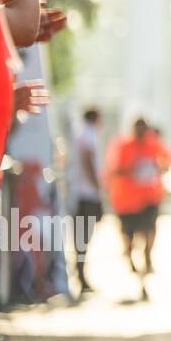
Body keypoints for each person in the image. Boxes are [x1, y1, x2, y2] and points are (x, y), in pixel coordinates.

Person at [105, 117, 171, 300]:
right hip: (126, 201)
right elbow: (113, 169)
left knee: (150, 230)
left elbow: (168, 160)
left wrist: (158, 167)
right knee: (129, 237)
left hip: (149, 197)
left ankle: (147, 258)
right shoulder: (123, 145)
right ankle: (131, 260)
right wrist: (132, 170)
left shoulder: (154, 143)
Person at [68, 107, 103, 294]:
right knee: (83, 236)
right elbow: (88, 160)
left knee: (81, 236)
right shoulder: (88, 136)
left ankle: (80, 272)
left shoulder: (80, 134)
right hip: (86, 194)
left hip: (80, 193)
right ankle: (80, 273)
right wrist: (97, 187)